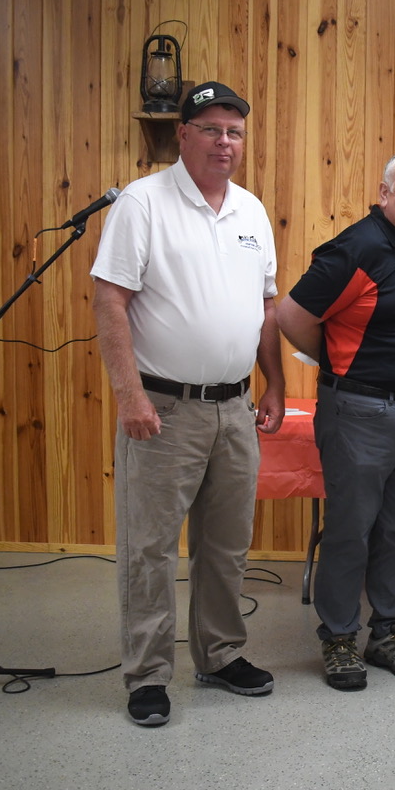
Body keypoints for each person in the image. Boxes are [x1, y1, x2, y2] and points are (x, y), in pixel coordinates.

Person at [91, 81, 284, 727]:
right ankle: (146, 674)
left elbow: (264, 307)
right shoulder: (143, 203)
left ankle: (220, 654)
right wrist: (129, 394)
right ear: (183, 134)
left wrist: (274, 382)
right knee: (149, 546)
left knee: (226, 545)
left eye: (234, 130)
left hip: (234, 409)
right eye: (210, 129)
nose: (224, 141)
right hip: (164, 409)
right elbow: (110, 299)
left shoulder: (251, 211)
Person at [276, 149, 395, 691]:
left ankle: (390, 630)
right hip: (361, 413)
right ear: (385, 192)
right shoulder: (358, 247)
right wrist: (337, 364)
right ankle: (339, 637)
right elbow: (291, 316)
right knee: (351, 530)